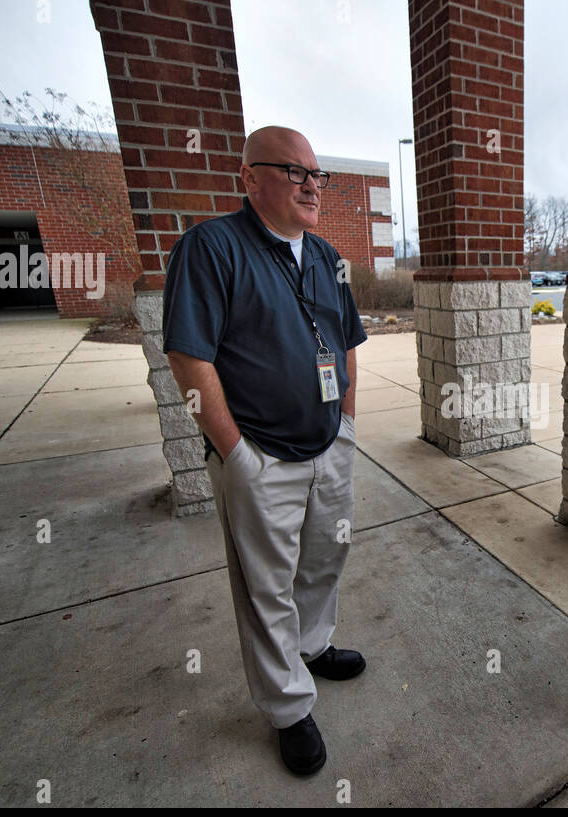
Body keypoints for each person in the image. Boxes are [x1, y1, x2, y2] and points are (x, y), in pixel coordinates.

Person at [162, 126, 368, 777]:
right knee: (265, 586)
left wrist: (349, 425)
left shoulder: (328, 255)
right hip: (260, 456)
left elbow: (348, 343)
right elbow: (189, 357)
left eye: (317, 173)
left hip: (329, 444)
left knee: (325, 556)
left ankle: (312, 646)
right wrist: (236, 454)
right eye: (293, 170)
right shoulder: (212, 247)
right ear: (249, 177)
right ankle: (288, 708)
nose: (312, 184)